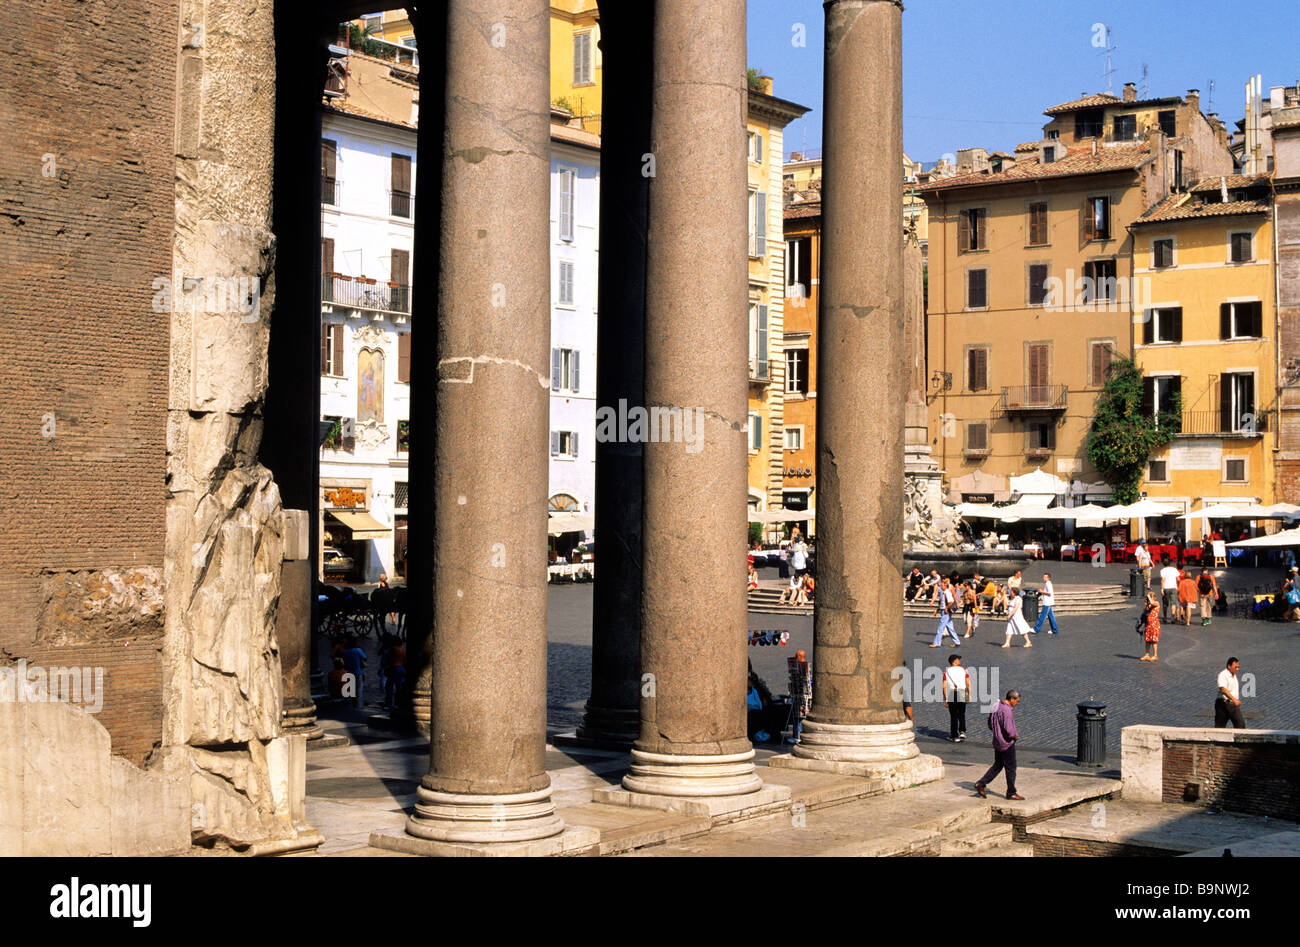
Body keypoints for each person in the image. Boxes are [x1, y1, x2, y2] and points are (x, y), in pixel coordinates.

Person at [975, 690, 1023, 801]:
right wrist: (1014, 736)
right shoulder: (1007, 711)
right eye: (1017, 701)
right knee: (1011, 768)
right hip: (1006, 743)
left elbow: (990, 724)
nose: (1017, 703)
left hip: (997, 741)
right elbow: (1008, 729)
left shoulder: (995, 706)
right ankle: (1011, 792)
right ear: (1011, 699)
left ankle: (981, 783)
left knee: (998, 765)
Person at [943, 654, 972, 743]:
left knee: (953, 716)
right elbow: (968, 684)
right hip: (962, 692)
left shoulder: (946, 672)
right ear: (954, 661)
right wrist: (969, 695)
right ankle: (962, 731)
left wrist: (946, 698)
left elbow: (944, 686)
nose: (959, 661)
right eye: (958, 659)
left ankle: (954, 736)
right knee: (962, 713)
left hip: (952, 693)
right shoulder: (963, 670)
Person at [929, 576, 961, 648]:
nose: (940, 586)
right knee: (950, 627)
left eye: (941, 585)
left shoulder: (947, 592)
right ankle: (957, 641)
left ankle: (937, 643)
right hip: (943, 610)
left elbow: (951, 601)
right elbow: (941, 602)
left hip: (945, 611)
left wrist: (946, 608)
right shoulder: (943, 592)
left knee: (941, 627)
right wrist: (937, 609)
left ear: (945, 586)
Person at [1215, 657, 1246, 728]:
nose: (1237, 669)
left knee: (1240, 725)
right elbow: (1223, 689)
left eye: (1238, 667)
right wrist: (1234, 699)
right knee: (1220, 727)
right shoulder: (1223, 675)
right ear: (1229, 666)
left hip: (1232, 705)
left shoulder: (1233, 675)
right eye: (1235, 667)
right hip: (1223, 704)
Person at [341, 636, 367, 708]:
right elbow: (365, 658)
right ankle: (359, 705)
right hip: (358, 672)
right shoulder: (357, 650)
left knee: (351, 691)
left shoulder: (345, 652)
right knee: (359, 690)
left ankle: (352, 705)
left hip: (348, 673)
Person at [1139, 591, 1160, 662]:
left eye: (1150, 597)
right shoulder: (1149, 605)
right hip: (1148, 624)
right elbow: (1144, 612)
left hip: (1154, 624)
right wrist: (1146, 605)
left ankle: (1155, 655)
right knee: (1147, 640)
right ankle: (1147, 654)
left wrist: (1148, 597)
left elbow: (1153, 603)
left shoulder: (1157, 603)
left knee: (1154, 640)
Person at [1159, 557, 1181, 622]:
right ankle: (1172, 617)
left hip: (1166, 587)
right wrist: (1178, 586)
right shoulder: (1174, 569)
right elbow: (1178, 579)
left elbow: (1162, 580)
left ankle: (1165, 617)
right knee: (1173, 603)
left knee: (1165, 604)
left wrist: (1162, 589)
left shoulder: (1162, 570)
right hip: (1173, 587)